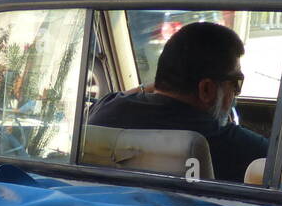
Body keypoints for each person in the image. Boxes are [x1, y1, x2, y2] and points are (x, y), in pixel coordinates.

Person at [87, 21, 266, 183]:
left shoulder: (104, 110)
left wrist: (158, 83)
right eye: (235, 83)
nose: (236, 92)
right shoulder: (239, 147)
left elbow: (118, 99)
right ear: (206, 89)